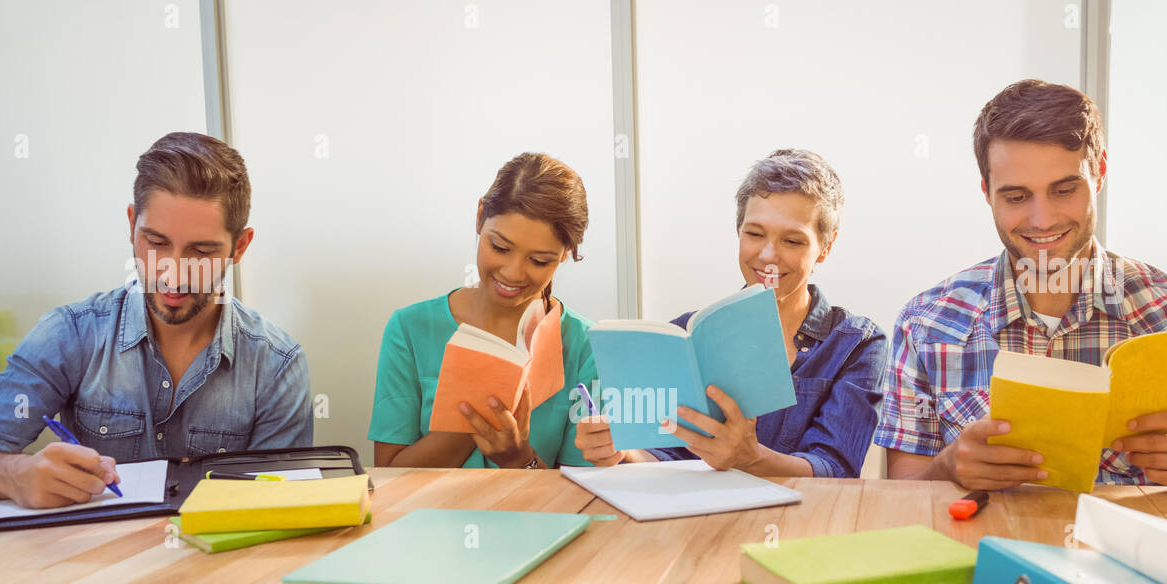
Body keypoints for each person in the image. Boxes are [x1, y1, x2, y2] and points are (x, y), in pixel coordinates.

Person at [876, 79, 1167, 491]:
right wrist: (948, 468)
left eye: (1063, 190)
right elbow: (903, 501)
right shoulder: (925, 324)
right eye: (1017, 197)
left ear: (1099, 173)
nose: (1042, 220)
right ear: (987, 192)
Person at [0, 132, 312, 509]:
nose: (172, 273)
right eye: (156, 242)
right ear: (132, 225)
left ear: (240, 247)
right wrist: (11, 475)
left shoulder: (277, 365)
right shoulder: (71, 334)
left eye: (200, 251)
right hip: (94, 565)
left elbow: (281, 514)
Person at [574, 148, 886, 477]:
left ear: (825, 247)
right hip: (704, 522)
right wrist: (621, 453)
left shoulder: (857, 345)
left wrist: (751, 459)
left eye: (792, 241)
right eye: (754, 234)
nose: (768, 255)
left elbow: (836, 469)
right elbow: (667, 456)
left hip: (805, 524)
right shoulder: (684, 336)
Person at [371, 152, 598, 469]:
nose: (513, 273)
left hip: (540, 520)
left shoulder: (586, 345)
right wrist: (479, 408)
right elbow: (388, 476)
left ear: (565, 255)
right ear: (480, 217)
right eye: (500, 248)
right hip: (428, 518)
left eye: (539, 260)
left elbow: (582, 497)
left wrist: (519, 458)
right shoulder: (409, 329)